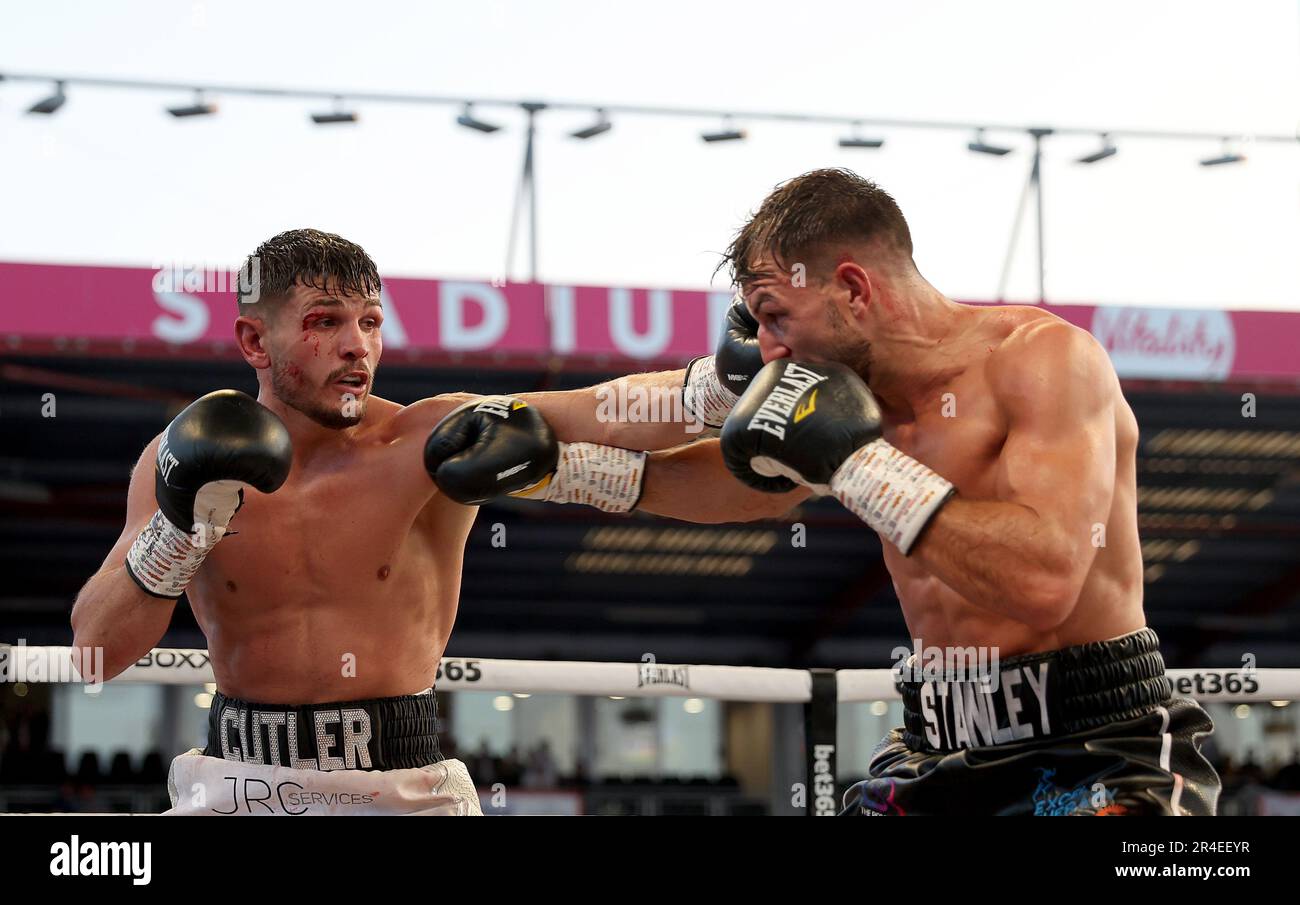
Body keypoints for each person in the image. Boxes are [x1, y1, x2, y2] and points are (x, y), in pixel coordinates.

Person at [70, 228, 796, 815]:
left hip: (402, 788)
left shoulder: (423, 439)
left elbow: (602, 411)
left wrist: (718, 383)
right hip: (235, 784)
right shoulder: (176, 457)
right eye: (326, 322)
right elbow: (97, 650)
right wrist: (179, 530)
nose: (358, 345)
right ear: (256, 343)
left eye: (371, 322)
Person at [711, 167, 1220, 815]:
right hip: (935, 744)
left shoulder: (1046, 358)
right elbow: (677, 435)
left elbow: (1044, 583)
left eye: (777, 317)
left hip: (1097, 746)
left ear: (852, 288)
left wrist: (857, 465)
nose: (770, 352)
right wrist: (560, 458)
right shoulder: (846, 395)